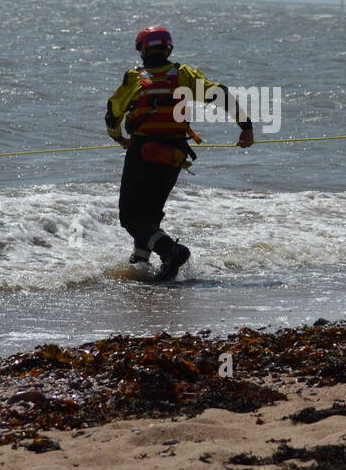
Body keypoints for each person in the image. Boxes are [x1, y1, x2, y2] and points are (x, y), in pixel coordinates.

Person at [105, 25, 254, 281]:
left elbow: (112, 113)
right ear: (168, 48)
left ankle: (172, 251)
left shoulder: (134, 77)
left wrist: (119, 138)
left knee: (130, 216)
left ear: (142, 50)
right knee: (150, 213)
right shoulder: (183, 74)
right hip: (174, 155)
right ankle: (140, 262)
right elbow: (221, 94)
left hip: (143, 153)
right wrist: (246, 127)